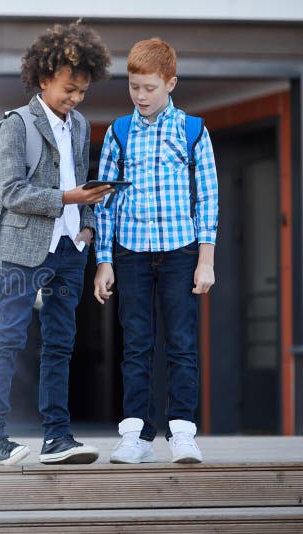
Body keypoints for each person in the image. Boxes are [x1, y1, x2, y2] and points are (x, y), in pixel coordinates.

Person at [0, 22, 113, 465]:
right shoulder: (16, 125)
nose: (75, 98)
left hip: (71, 247)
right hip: (23, 248)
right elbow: (10, 192)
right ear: (43, 78)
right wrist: (69, 199)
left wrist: (87, 222)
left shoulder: (79, 126)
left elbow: (80, 180)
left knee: (60, 343)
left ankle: (57, 437)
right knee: (9, 339)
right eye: (68, 89)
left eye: (81, 92)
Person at [93, 38, 219, 464]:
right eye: (134, 87)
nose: (141, 96)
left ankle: (182, 431)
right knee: (136, 344)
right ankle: (136, 435)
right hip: (130, 253)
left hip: (181, 252)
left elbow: (208, 199)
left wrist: (206, 261)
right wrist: (104, 261)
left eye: (149, 87)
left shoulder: (193, 131)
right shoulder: (119, 133)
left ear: (171, 83)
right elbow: (104, 200)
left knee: (182, 343)